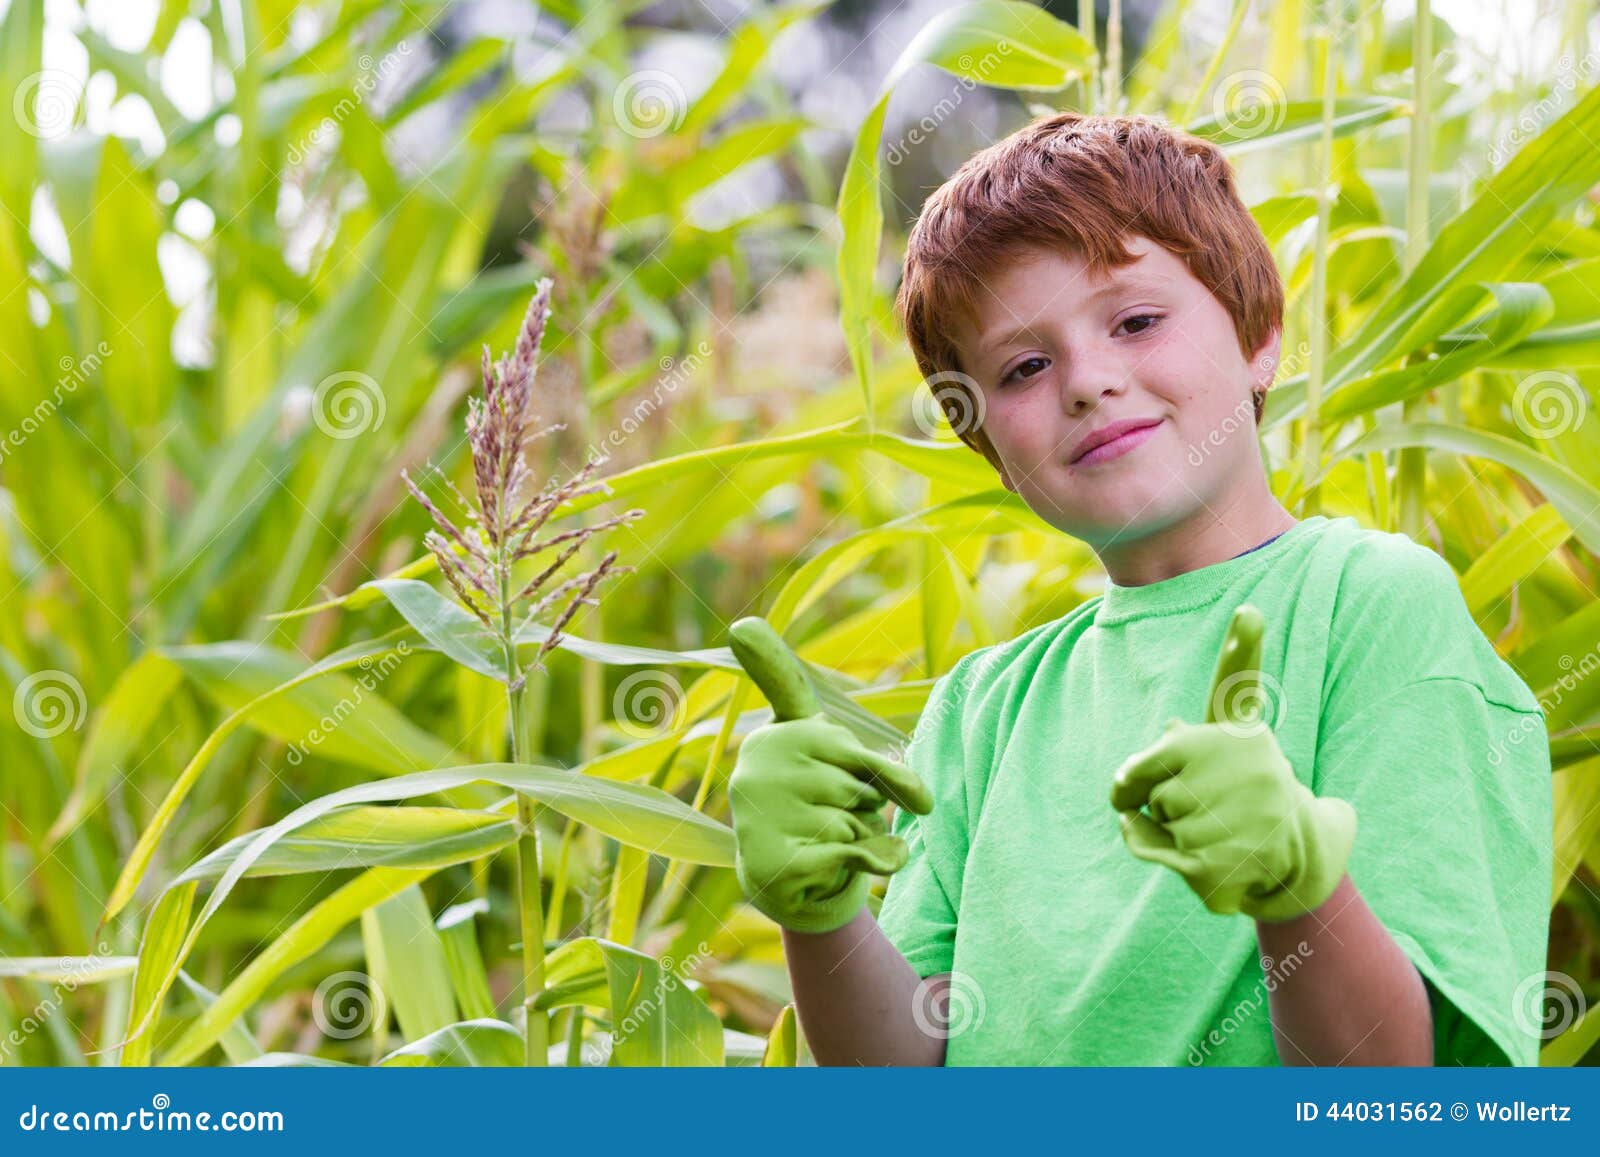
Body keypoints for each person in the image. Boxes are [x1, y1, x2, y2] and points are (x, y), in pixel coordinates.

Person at [727, 111, 1552, 1066]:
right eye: (1024, 367)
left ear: (1260, 336)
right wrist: (821, 914)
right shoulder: (979, 710)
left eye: (1135, 321)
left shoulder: (1371, 605)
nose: (1087, 381)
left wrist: (1297, 894)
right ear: (987, 445)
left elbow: (1395, 1093)